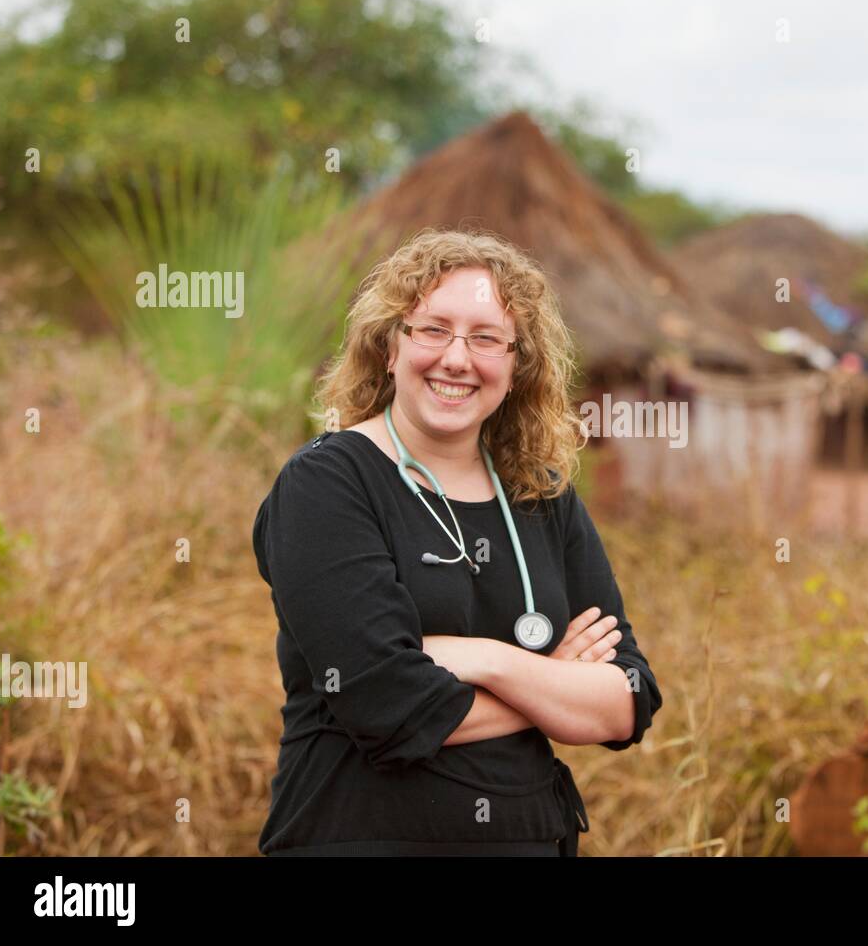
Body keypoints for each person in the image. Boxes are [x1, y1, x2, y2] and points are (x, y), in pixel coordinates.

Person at [252, 227, 662, 856]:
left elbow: (629, 702)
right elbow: (387, 709)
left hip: (530, 838)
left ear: (517, 364)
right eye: (433, 329)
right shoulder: (327, 485)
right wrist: (555, 685)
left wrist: (488, 661)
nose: (456, 358)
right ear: (390, 347)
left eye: (486, 338)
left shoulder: (541, 495)